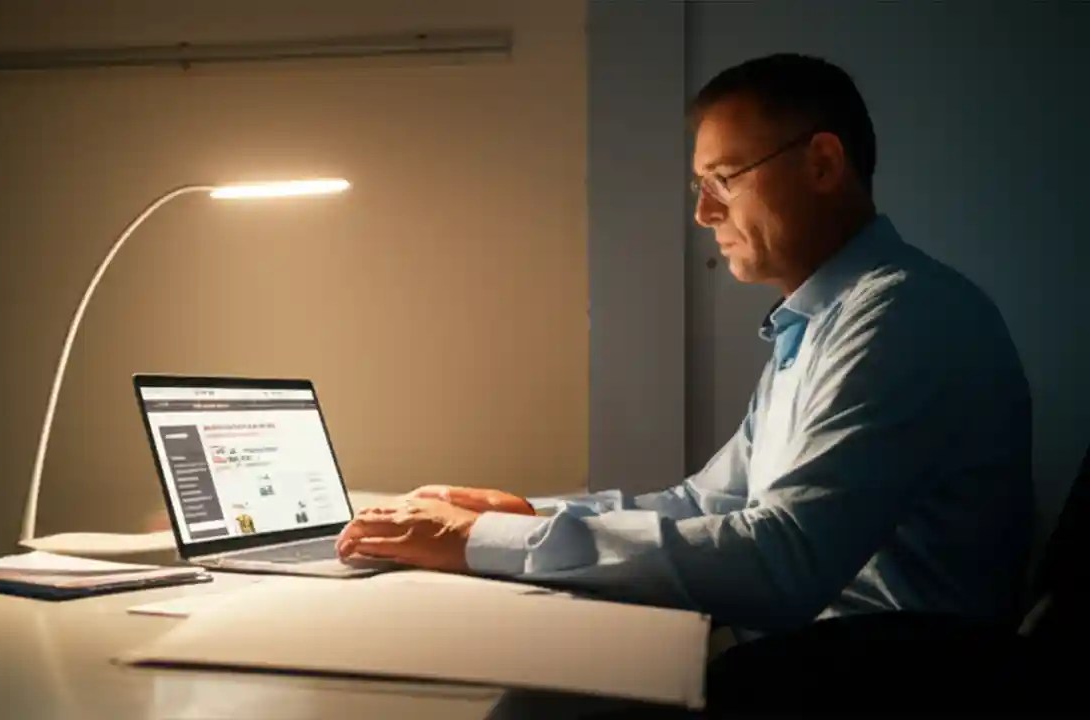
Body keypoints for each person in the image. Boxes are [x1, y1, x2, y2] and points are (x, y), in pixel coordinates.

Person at [335, 53, 1034, 635]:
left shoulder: (899, 315)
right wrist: (525, 516)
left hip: (888, 680)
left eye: (722, 180)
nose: (703, 213)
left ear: (823, 163)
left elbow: (782, 561)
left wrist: (474, 540)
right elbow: (706, 504)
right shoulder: (821, 321)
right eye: (701, 186)